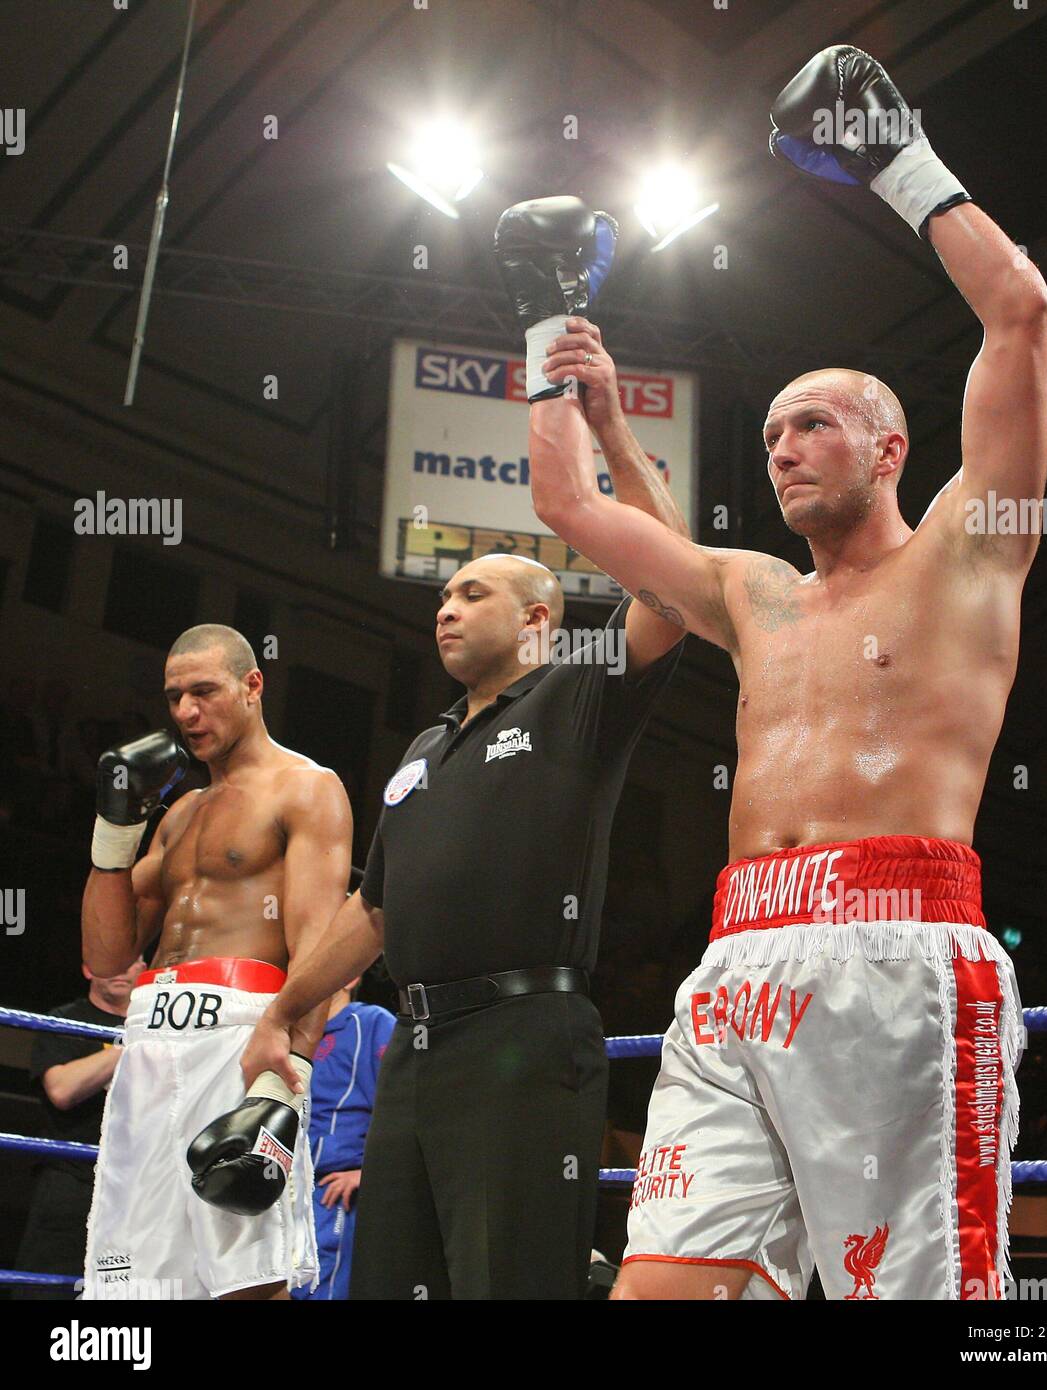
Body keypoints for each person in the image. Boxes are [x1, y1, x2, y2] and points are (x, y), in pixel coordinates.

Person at [518, 47, 1047, 1300]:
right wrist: (547, 328)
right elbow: (566, 502)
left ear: (889, 442)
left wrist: (891, 157)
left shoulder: (970, 550)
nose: (782, 448)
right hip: (736, 954)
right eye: (767, 434)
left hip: (898, 949)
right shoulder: (755, 593)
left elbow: (1018, 310)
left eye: (811, 422)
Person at [242, 217, 688, 1297]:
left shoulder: (579, 689)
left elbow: (674, 583)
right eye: (441, 595)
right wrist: (285, 1005)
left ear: (540, 617)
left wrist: (614, 438)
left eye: (472, 590)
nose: (445, 609)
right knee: (390, 1284)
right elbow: (376, 909)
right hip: (416, 1051)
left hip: (526, 1039)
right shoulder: (425, 746)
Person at [80, 624, 353, 1301]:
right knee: (134, 1285)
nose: (185, 713)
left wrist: (285, 1081)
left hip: (242, 1040)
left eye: (204, 692)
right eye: (174, 697)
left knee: (245, 1281)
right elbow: (106, 955)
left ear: (252, 686)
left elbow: (317, 942)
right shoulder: (178, 814)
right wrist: (115, 827)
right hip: (150, 1040)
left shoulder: (307, 788)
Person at [11, 960, 143, 1301]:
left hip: (138, 1185)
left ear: (144, 967)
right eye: (110, 960)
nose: (120, 969)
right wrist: (131, 1042)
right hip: (72, 1179)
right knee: (46, 1287)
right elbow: (62, 1090)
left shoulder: (161, 1029)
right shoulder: (64, 1020)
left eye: (129, 961)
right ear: (87, 969)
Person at [291, 976, 395, 1301]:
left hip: (332, 1194)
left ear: (351, 977)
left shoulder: (373, 1023)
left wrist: (368, 1173)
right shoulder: (279, 1032)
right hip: (278, 1193)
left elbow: (413, 1107)